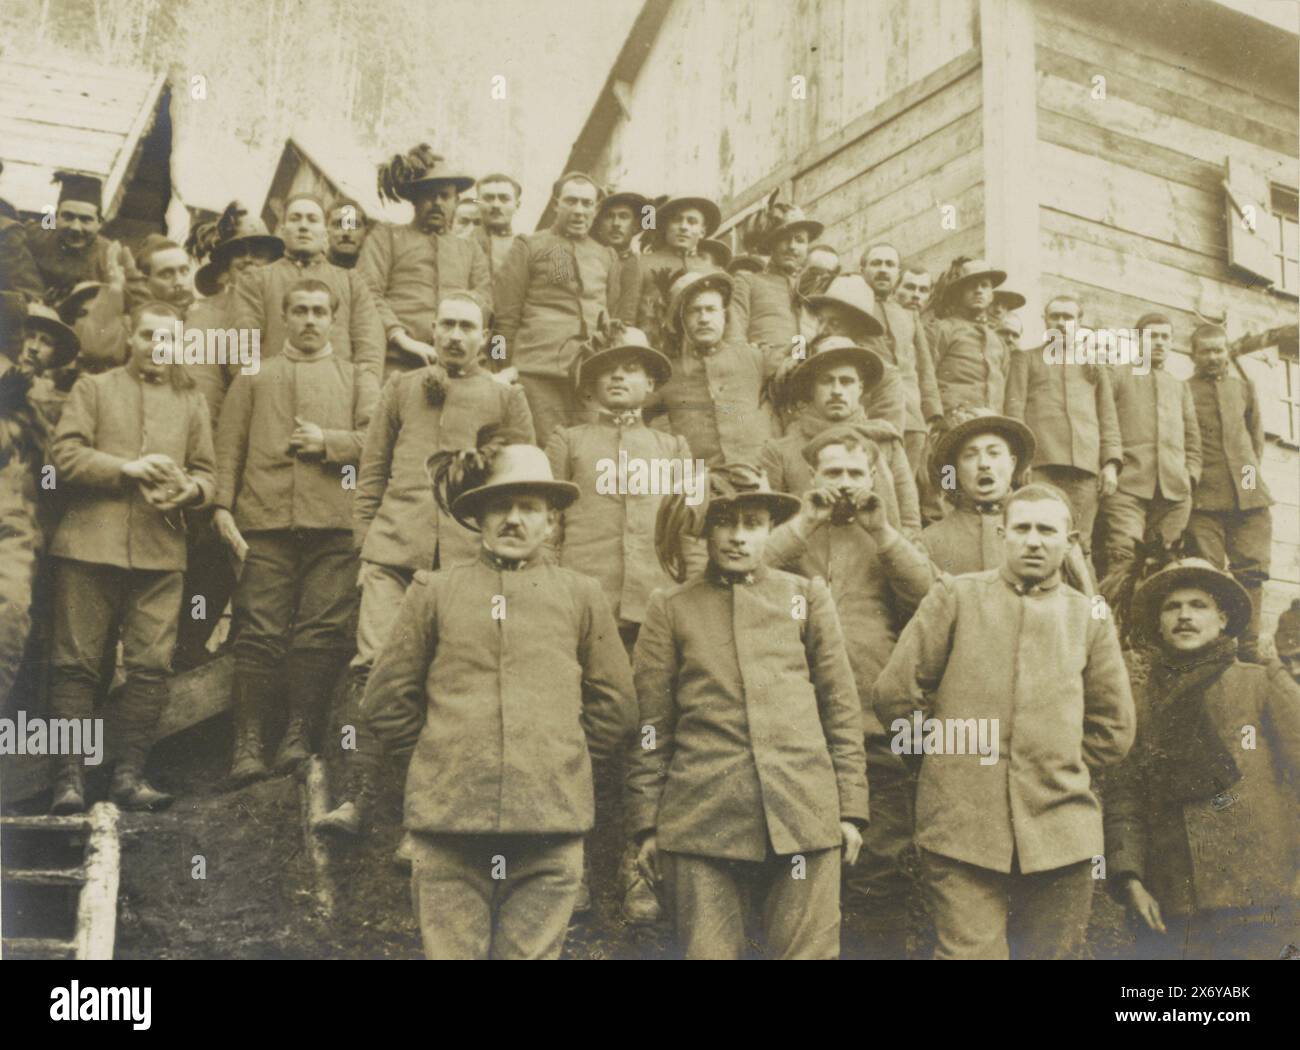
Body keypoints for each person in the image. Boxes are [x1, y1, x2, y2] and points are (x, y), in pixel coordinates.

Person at [364, 442, 636, 959]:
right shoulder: (434, 591)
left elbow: (615, 706)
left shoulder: (582, 595)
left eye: (530, 508)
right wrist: (439, 759)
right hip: (450, 826)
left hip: (549, 825)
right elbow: (385, 700)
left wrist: (561, 762)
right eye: (501, 507)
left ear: (552, 522)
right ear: (478, 517)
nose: (514, 520)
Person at [873, 483, 1135, 959]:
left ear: (1069, 541)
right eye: (1023, 528)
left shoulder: (1088, 617)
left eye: (1047, 530)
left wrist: (1056, 763)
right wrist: (938, 757)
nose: (1034, 541)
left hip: (1061, 831)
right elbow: (895, 693)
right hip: (960, 823)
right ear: (1002, 535)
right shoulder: (956, 596)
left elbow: (1114, 726)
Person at [313, 293, 534, 836]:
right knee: (376, 669)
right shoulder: (400, 388)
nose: (455, 336)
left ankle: (428, 816)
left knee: (451, 678)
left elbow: (523, 487)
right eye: (447, 325)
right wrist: (367, 547)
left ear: (485, 337)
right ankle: (358, 799)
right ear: (432, 331)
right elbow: (372, 473)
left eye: (467, 327)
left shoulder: (505, 399)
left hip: (465, 560)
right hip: (393, 553)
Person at [628, 463, 869, 959]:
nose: (738, 537)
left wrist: (849, 811)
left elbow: (840, 710)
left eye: (753, 523)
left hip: (803, 808)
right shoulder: (671, 607)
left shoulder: (805, 597)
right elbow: (652, 728)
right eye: (724, 523)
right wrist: (647, 822)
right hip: (701, 817)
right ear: (706, 529)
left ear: (769, 529)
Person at [763, 427, 936, 959]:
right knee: (803, 867)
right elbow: (749, 571)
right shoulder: (790, 533)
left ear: (874, 479)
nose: (844, 484)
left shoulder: (890, 537)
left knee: (879, 866)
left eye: (855, 473)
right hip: (799, 729)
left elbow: (932, 596)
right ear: (812, 477)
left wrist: (881, 531)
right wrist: (804, 520)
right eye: (832, 473)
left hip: (874, 725)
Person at [47, 300, 216, 812]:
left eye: (167, 340)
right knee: (75, 666)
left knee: (150, 668)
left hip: (160, 552)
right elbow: (64, 455)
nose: (156, 348)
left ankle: (128, 777)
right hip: (88, 546)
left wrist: (190, 492)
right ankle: (68, 782)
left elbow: (208, 474)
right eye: (147, 336)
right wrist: (128, 468)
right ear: (130, 337)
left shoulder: (192, 402)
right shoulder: (94, 389)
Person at [214, 279, 373, 784]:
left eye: (319, 311)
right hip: (265, 523)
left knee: (321, 631)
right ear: (284, 316)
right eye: (299, 310)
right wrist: (221, 507)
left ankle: (299, 736)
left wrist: (330, 441)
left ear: (333, 319)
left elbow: (379, 442)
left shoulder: (357, 378)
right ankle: (247, 745)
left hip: (333, 525)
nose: (309, 319)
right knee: (257, 631)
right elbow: (228, 448)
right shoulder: (256, 376)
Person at [1104, 559, 1300, 960]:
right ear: (1159, 624)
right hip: (1171, 896)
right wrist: (1131, 880)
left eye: (1199, 605)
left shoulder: (1258, 682)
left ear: (1223, 620)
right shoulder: (1140, 702)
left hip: (1261, 893)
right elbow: (1125, 797)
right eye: (1172, 607)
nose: (1185, 616)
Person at [494, 172, 624, 445]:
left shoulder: (606, 255)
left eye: (587, 204)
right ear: (556, 204)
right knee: (549, 449)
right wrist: (504, 368)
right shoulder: (529, 246)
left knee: (592, 450)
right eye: (571, 201)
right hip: (537, 371)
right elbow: (505, 316)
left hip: (590, 373)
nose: (579, 210)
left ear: (596, 208)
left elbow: (608, 309)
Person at [1004, 293, 1123, 566]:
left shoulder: (1093, 367)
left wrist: (1111, 464)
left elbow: (1108, 418)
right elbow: (1014, 412)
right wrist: (1021, 460)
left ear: (1079, 323)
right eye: (1055, 316)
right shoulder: (1025, 359)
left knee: (1080, 545)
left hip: (1085, 471)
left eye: (1068, 317)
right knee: (1037, 539)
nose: (1060, 322)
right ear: (1045, 321)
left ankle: (1084, 607)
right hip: (1040, 467)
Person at [233, 191, 385, 403]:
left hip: (337, 397)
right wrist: (259, 393)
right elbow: (242, 347)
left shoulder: (351, 282)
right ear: (282, 229)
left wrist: (362, 397)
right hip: (274, 396)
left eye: (312, 219)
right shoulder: (256, 281)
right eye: (295, 218)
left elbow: (370, 347)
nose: (303, 225)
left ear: (325, 231)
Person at [760, 334, 919, 536]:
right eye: (826, 381)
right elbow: (769, 525)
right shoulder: (779, 450)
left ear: (860, 388)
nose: (836, 391)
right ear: (811, 389)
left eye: (846, 382)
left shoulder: (885, 441)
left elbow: (910, 522)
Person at [359, 145, 491, 376]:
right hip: (397, 358)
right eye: (429, 195)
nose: (437, 202)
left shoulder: (470, 249)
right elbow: (368, 291)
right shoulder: (387, 237)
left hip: (457, 363)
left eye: (445, 196)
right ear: (415, 200)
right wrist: (400, 337)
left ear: (456, 201)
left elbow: (484, 301)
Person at [1184, 323, 1273, 663]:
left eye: (1219, 350)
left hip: (1247, 496)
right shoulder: (1184, 391)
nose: (1213, 357)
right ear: (1193, 354)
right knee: (1208, 572)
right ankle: (1214, 648)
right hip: (1205, 498)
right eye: (1206, 350)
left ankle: (1248, 647)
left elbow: (1253, 444)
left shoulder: (1244, 388)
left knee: (1251, 570)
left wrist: (1248, 493)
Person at [1097, 313, 1201, 578]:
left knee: (1164, 565)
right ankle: (1111, 620)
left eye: (1165, 337)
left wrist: (1190, 475)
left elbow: (1192, 438)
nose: (1159, 343)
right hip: (1127, 486)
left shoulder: (1178, 386)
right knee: (1124, 557)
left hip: (1174, 494)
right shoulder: (1116, 375)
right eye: (1152, 336)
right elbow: (1105, 423)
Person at [646, 270, 781, 466]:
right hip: (701, 481)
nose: (703, 319)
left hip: (755, 474)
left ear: (724, 316)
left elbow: (796, 370)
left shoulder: (755, 358)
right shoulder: (667, 372)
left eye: (711, 310)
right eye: (694, 310)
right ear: (681, 320)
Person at [859, 243, 943, 476]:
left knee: (906, 479)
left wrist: (932, 412)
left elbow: (925, 368)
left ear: (897, 273)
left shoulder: (909, 314)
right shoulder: (855, 306)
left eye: (890, 264)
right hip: (872, 408)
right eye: (876, 263)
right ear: (862, 269)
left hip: (911, 415)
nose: (883, 270)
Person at [724, 204, 822, 351]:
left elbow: (802, 343)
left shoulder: (812, 290)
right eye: (785, 239)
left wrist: (796, 360)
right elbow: (734, 337)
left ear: (807, 247)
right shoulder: (748, 281)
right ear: (772, 244)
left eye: (800, 240)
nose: (792, 246)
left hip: (802, 369)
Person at [635, 195, 721, 349]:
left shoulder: (713, 272)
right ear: (666, 226)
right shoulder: (641, 264)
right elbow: (625, 318)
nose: (684, 226)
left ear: (702, 231)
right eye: (676, 220)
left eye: (692, 222)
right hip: (653, 350)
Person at [927, 257, 1011, 416]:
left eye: (984, 286)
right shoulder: (942, 329)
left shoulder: (999, 342)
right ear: (960, 293)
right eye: (972, 286)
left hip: (991, 423)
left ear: (991, 295)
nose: (978, 290)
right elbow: (925, 377)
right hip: (951, 422)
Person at [592, 190, 648, 327]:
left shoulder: (644, 266)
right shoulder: (589, 261)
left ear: (635, 226)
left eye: (624, 217)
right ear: (599, 225)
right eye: (609, 216)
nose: (616, 223)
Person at [476, 173, 523, 275]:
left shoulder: (526, 249)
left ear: (517, 205)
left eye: (504, 198)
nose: (496, 205)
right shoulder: (461, 244)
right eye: (488, 198)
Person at [326, 197, 369, 270]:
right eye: (338, 225)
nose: (346, 233)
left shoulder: (378, 274)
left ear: (366, 232)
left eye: (354, 225)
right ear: (326, 230)